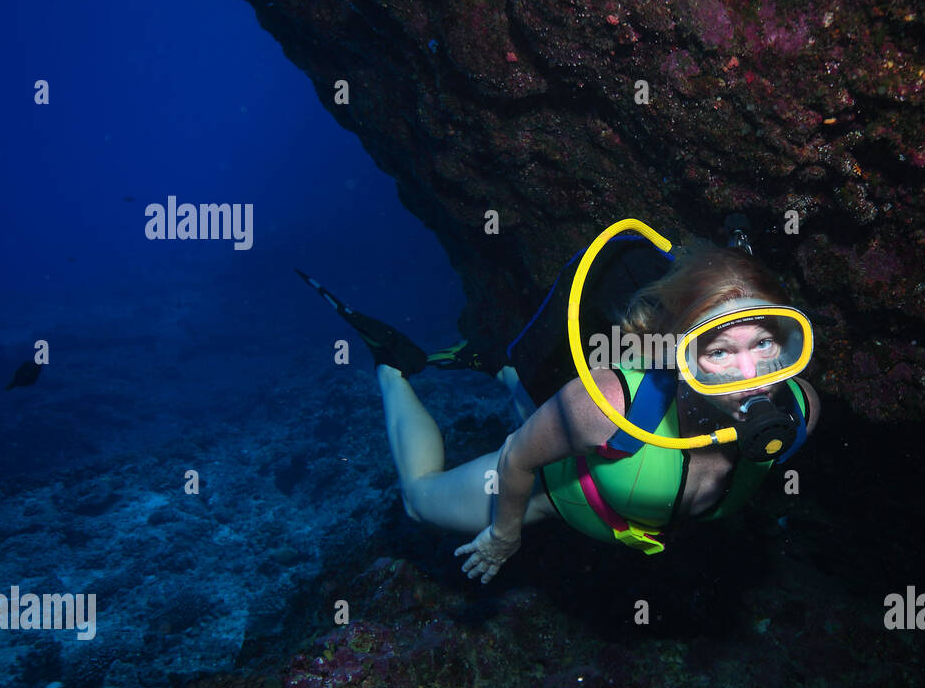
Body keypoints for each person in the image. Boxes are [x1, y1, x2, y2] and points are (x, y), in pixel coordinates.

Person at [298, 221, 820, 584]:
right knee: (418, 502)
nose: (752, 377)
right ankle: (392, 365)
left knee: (534, 399)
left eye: (766, 343)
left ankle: (502, 367)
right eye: (719, 351)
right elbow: (518, 458)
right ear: (678, 351)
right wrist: (503, 535)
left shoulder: (799, 411)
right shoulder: (610, 403)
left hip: (588, 451)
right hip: (558, 489)